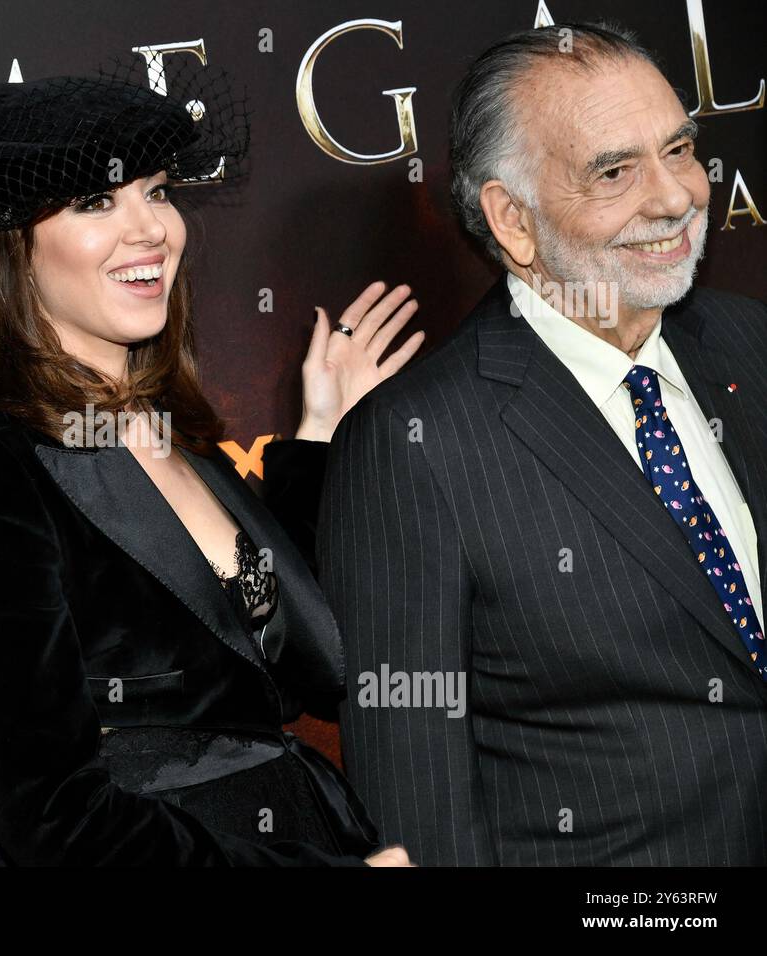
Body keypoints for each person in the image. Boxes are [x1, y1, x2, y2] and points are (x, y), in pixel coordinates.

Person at [0, 62, 423, 865]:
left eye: (156, 190)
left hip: (324, 826)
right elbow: (56, 821)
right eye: (95, 201)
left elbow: (290, 660)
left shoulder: (179, 443)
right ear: (13, 250)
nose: (151, 228)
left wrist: (320, 432)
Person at [327, 22, 767, 865]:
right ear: (514, 222)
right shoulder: (415, 446)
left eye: (679, 149)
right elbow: (417, 807)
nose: (676, 196)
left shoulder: (748, 343)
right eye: (614, 171)